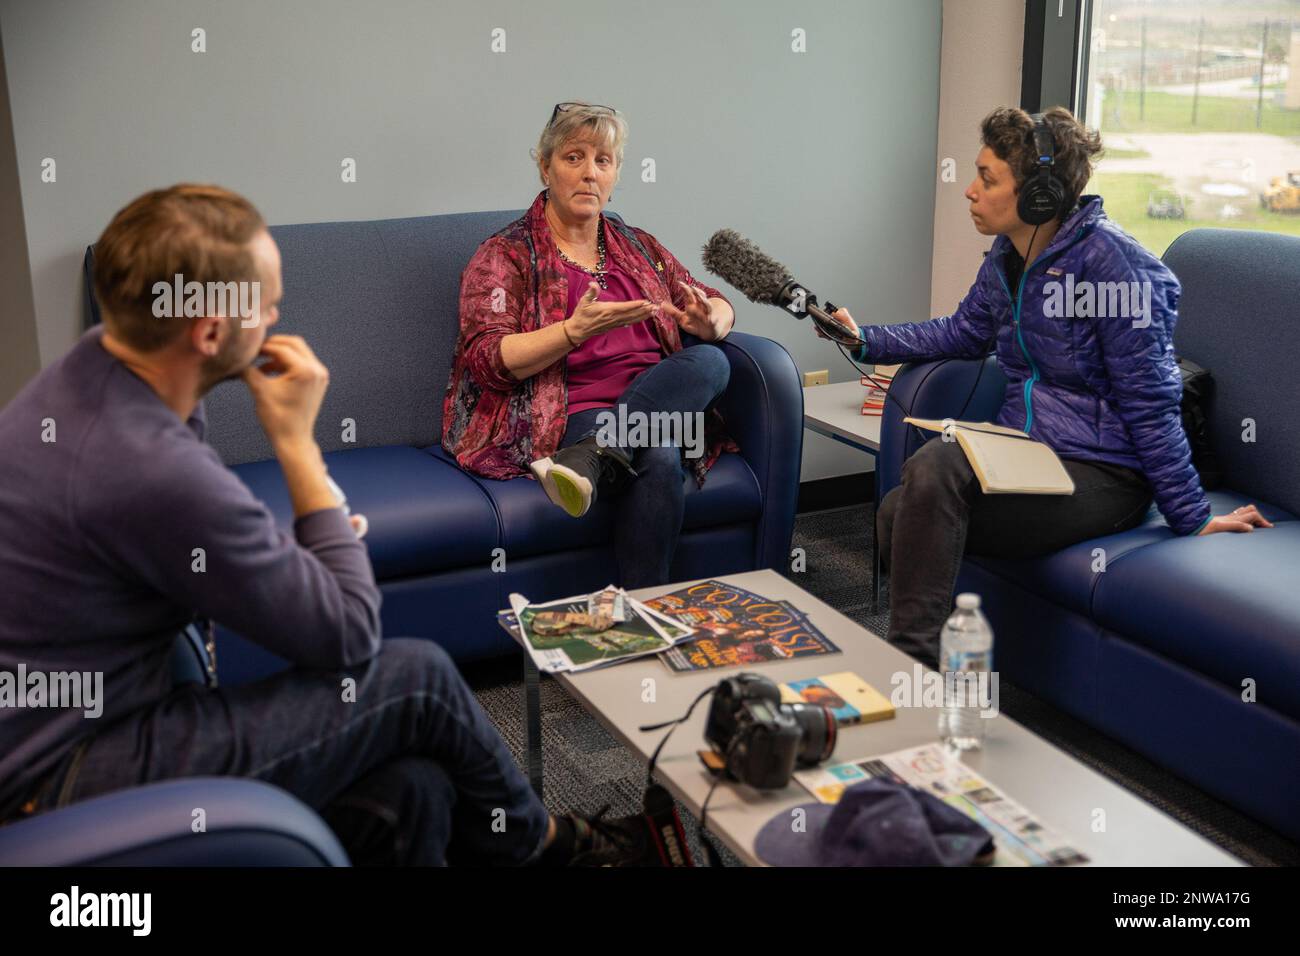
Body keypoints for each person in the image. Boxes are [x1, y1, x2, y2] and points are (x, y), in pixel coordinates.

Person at [0, 184, 647, 866]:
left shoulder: (99, 366)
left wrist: (292, 547)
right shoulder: (149, 465)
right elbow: (347, 635)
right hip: (66, 774)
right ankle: (553, 849)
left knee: (416, 790)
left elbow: (173, 543)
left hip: (76, 724)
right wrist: (298, 445)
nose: (279, 315)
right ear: (211, 332)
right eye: (268, 303)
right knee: (418, 678)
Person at [826, 107, 1272, 665]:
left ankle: (910, 667)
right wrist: (864, 339)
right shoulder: (1009, 257)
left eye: (987, 179)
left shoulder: (1118, 269)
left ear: (1040, 194)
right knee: (900, 511)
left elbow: (1151, 403)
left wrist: (1193, 515)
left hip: (1106, 474)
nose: (968, 191)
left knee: (934, 471)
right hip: (1028, 457)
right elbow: (964, 332)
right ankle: (927, 661)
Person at [443, 102, 736, 588]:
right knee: (660, 454)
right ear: (545, 166)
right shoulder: (505, 254)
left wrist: (712, 321)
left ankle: (598, 454)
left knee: (711, 360)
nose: (589, 174)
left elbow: (710, 299)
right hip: (568, 411)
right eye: (573, 157)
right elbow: (486, 361)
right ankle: (648, 612)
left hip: (657, 397)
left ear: (617, 172)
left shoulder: (636, 245)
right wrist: (572, 332)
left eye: (602, 160)